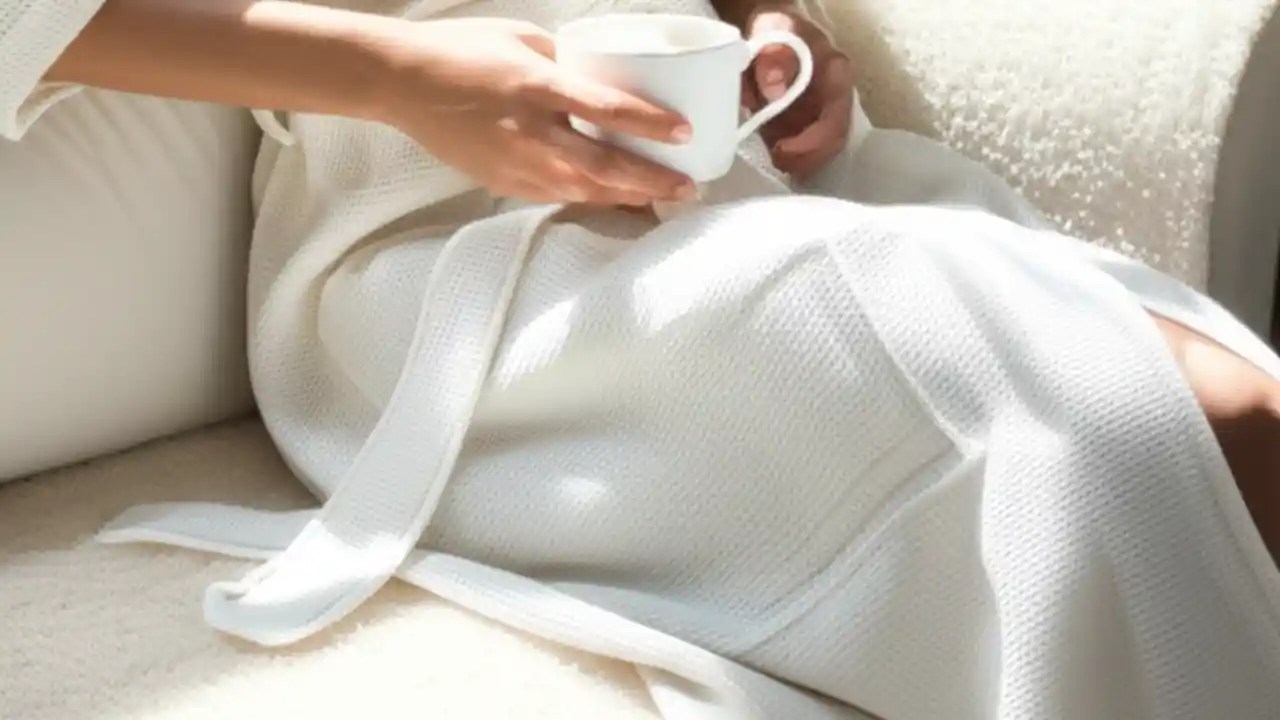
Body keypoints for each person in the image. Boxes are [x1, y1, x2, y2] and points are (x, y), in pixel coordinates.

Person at [7, 1, 1280, 717]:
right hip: (439, 239)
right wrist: (403, 73)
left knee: (1218, 416)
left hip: (741, 167)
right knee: (1162, 423)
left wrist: (774, 26)